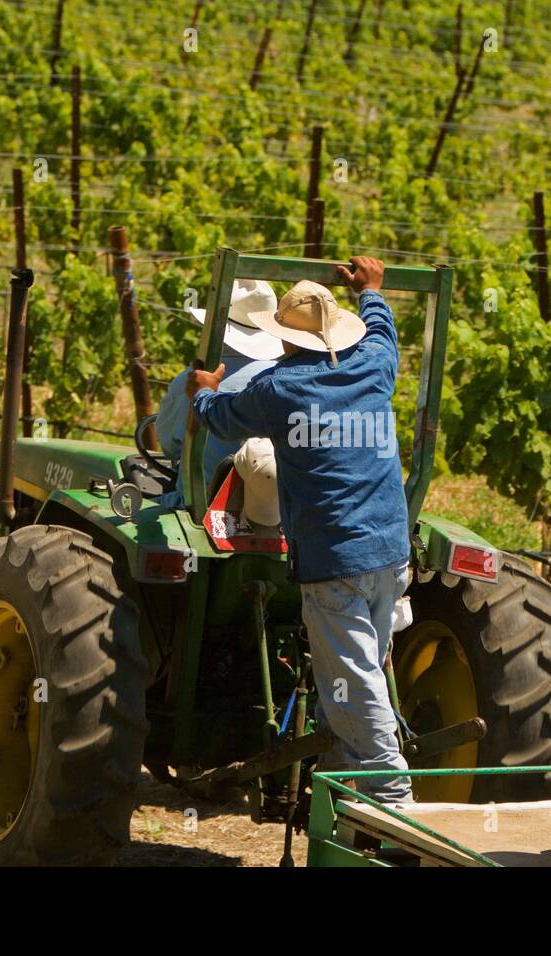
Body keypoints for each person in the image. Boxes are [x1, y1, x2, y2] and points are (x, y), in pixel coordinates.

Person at [186, 256, 412, 804]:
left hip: (336, 559)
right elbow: (382, 332)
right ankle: (346, 801)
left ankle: (394, 803)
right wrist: (373, 291)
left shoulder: (280, 389)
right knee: (364, 680)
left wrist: (201, 390)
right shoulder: (376, 365)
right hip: (392, 552)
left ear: (282, 340)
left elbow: (219, 417)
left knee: (356, 690)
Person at [153, 279, 281, 507]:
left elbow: (169, 447)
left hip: (200, 509)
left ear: (215, 323)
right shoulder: (285, 383)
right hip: (274, 510)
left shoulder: (190, 382)